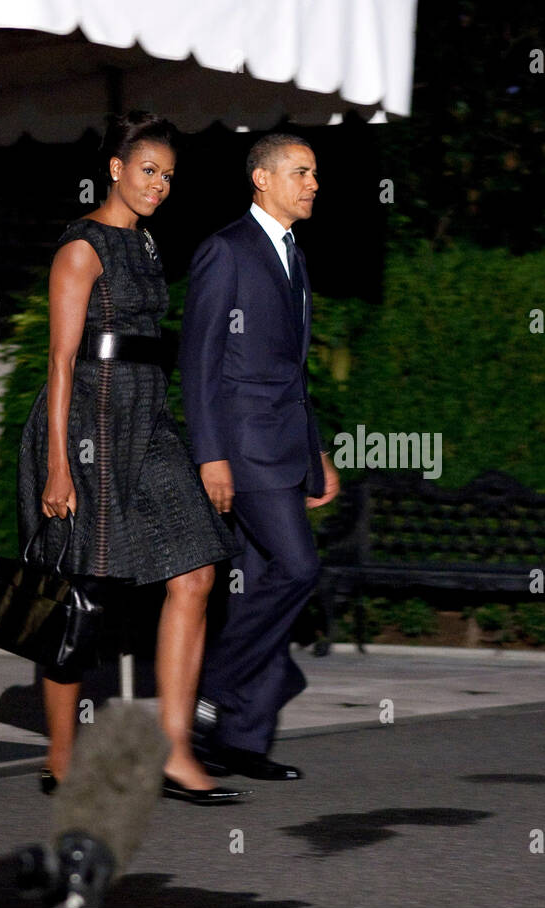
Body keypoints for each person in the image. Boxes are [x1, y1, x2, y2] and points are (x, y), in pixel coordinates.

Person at [17, 111, 246, 804]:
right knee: (75, 592)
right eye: (149, 170)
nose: (159, 185)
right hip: (85, 427)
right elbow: (60, 360)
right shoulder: (80, 249)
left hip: (148, 425)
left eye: (169, 176)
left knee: (199, 566)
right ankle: (61, 755)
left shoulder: (146, 246)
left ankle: (174, 748)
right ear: (115, 168)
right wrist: (59, 462)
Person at [178, 133, 339, 781]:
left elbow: (293, 373)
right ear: (262, 180)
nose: (313, 183)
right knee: (299, 568)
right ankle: (213, 681)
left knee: (258, 590)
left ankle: (240, 741)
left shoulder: (292, 256)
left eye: (315, 173)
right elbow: (200, 361)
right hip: (244, 452)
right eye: (301, 172)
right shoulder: (227, 250)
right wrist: (211, 454)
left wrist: (317, 453)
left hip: (285, 447)